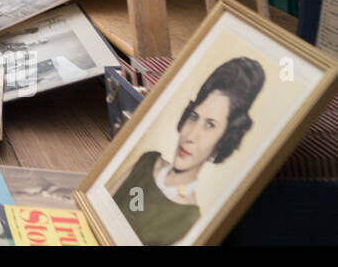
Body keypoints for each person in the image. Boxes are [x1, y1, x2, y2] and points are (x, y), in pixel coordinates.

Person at [111, 56, 265, 245]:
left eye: (210, 125)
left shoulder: (190, 221)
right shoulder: (147, 161)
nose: (191, 135)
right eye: (194, 117)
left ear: (225, 140)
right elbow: (95, 209)